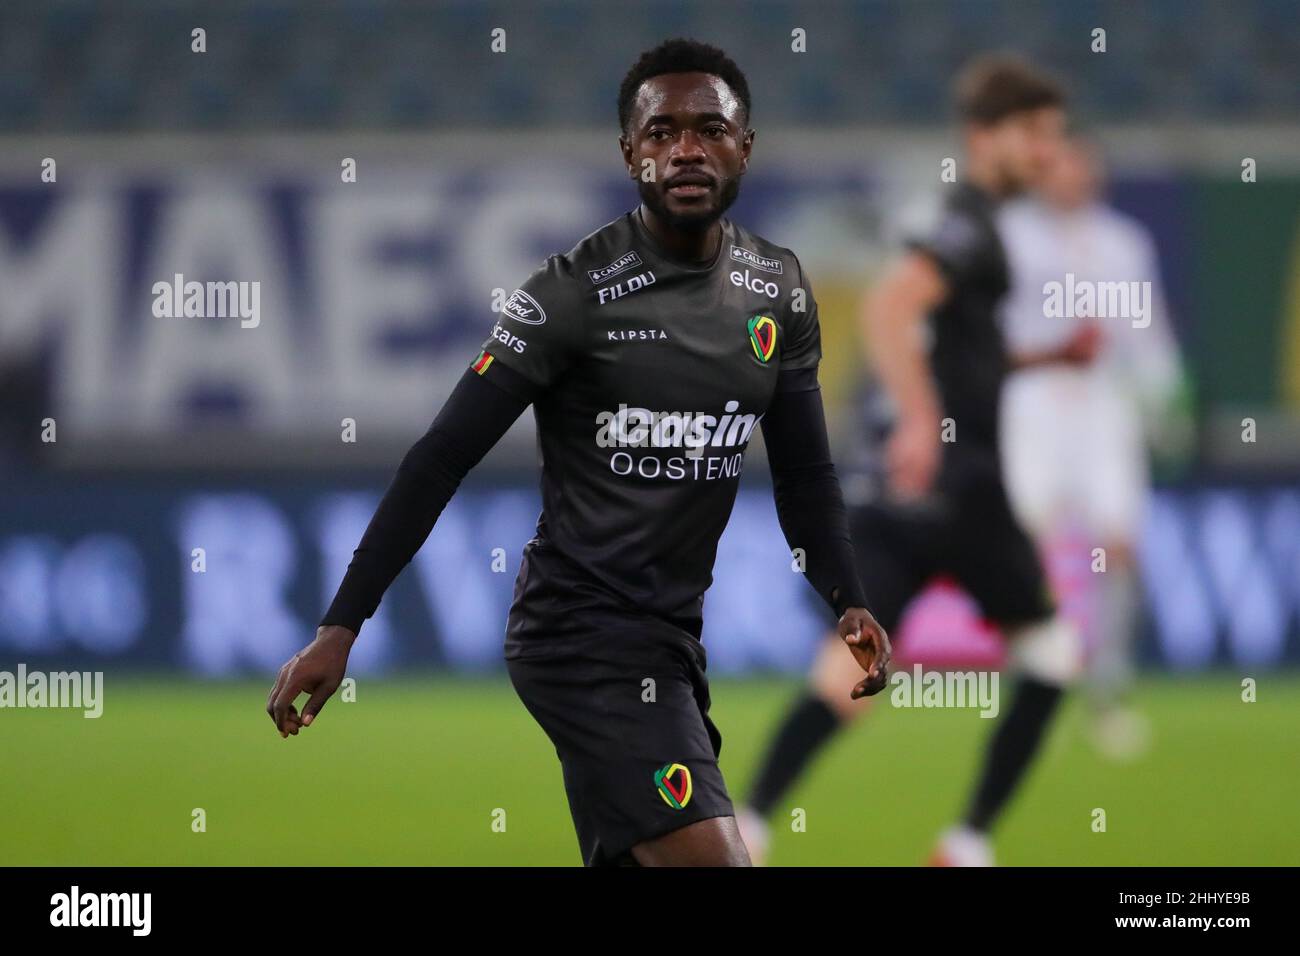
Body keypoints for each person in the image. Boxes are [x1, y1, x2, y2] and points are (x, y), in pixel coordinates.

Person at [265, 38, 890, 868]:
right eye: (661, 133)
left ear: (746, 147)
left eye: (710, 129)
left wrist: (845, 594)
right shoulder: (571, 296)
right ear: (630, 154)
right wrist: (342, 625)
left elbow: (805, 470)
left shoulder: (777, 289)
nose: (686, 150)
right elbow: (441, 457)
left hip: (670, 641)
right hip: (579, 638)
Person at [739, 55, 1091, 867]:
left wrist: (1040, 362)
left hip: (889, 488)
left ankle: (747, 830)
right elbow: (896, 305)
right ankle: (967, 841)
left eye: (1055, 136)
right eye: (1035, 134)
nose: (1048, 152)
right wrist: (926, 422)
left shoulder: (953, 216)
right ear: (984, 136)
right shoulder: (968, 219)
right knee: (1051, 654)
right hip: (960, 483)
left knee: (855, 670)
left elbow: (946, 344)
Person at [998, 134, 1187, 759]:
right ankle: (1036, 682)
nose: (1070, 181)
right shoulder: (1011, 234)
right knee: (1030, 550)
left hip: (1105, 410)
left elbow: (1146, 330)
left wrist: (1167, 401)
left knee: (1119, 550)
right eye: (1059, 169)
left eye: (1082, 169)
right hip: (1032, 402)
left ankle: (1108, 690)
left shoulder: (1123, 242)